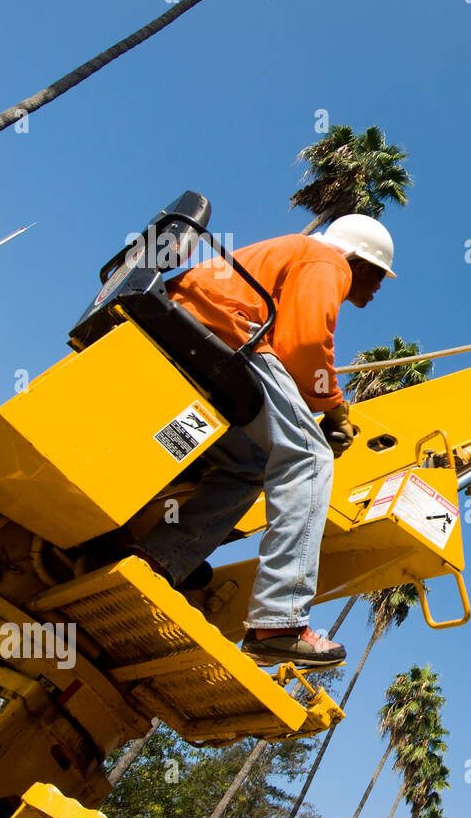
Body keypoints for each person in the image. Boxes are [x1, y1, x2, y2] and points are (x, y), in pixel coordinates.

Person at [130, 214, 395, 666]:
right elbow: (305, 344)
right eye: (379, 274)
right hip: (227, 330)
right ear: (361, 262)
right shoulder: (329, 261)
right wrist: (333, 406)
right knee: (309, 458)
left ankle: (158, 559)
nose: (378, 286)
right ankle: (279, 620)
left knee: (249, 463)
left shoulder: (299, 252)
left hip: (188, 322)